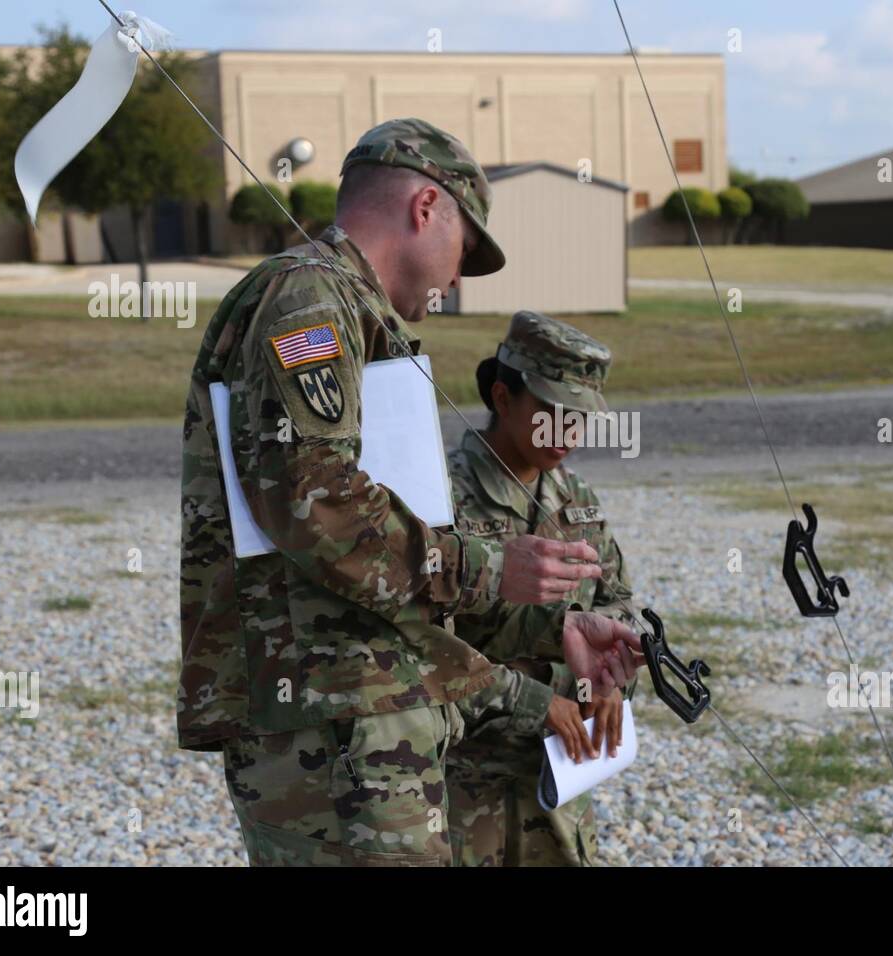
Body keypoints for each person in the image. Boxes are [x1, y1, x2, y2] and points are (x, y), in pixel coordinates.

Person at [178, 118, 641, 866]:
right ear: (426, 207)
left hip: (365, 720)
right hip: (333, 727)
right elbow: (314, 503)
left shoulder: (353, 313)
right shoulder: (307, 297)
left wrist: (552, 632)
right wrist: (491, 569)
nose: (457, 278)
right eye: (465, 249)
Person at [445, 311, 636, 867]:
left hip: (559, 784)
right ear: (503, 398)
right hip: (460, 787)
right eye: (552, 414)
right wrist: (536, 700)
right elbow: (421, 651)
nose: (567, 436)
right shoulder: (439, 498)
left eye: (578, 420)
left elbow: (621, 602)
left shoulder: (576, 498)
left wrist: (614, 675)